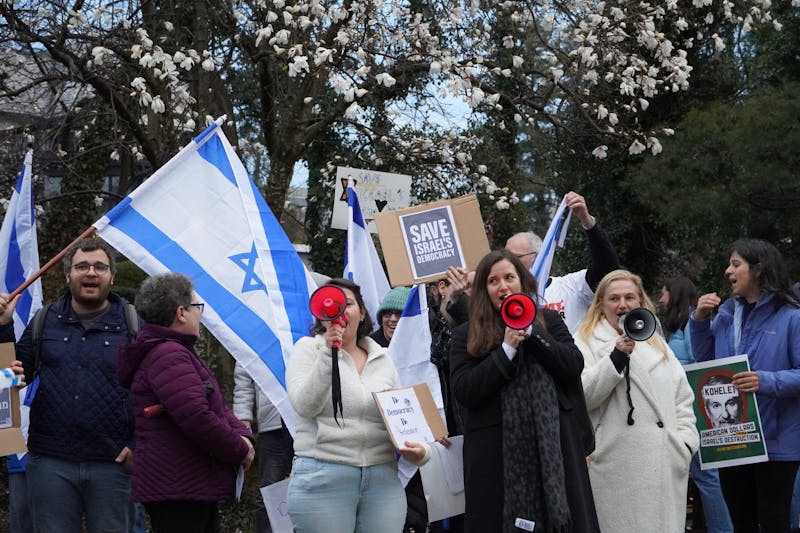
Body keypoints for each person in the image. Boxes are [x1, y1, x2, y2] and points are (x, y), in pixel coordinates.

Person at [450, 249, 599, 533]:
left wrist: (534, 334)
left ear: (523, 282)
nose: (503, 286)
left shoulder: (549, 322)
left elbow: (572, 365)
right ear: (484, 289)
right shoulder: (466, 334)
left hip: (556, 449)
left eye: (509, 277)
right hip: (496, 457)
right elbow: (465, 390)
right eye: (493, 281)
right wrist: (506, 350)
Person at [0, 238, 136, 532]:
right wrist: (3, 326)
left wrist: (138, 444)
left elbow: (151, 389)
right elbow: (10, 375)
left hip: (112, 465)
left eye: (100, 267)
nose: (90, 272)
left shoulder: (132, 324)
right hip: (51, 464)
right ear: (67, 275)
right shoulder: (44, 321)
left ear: (112, 275)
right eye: (81, 266)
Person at [285, 278, 430, 533]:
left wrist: (422, 452)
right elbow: (304, 405)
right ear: (321, 314)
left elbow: (402, 417)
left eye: (347, 303)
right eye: (332, 304)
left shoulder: (384, 359)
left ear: (362, 313)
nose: (339, 310)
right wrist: (329, 353)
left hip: (382, 481)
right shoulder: (307, 350)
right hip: (323, 477)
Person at [117, 273, 255, 532]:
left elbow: (215, 407)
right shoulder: (168, 355)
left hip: (187, 484)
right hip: (179, 488)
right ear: (181, 313)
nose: (200, 315)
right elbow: (197, 417)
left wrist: (244, 436)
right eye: (197, 307)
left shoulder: (174, 351)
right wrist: (240, 448)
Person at [690, 238, 800, 533]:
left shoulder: (792, 318)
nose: (728, 271)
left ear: (759, 270)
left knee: (775, 522)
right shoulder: (727, 314)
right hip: (732, 437)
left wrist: (765, 381)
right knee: (740, 522)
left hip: (777, 441)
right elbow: (705, 362)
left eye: (736, 264)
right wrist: (699, 321)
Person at [576, 269, 698, 533]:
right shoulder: (585, 341)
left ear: (641, 302)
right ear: (600, 305)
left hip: (664, 465)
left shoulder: (658, 344)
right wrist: (615, 358)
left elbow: (683, 398)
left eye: (630, 297)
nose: (623, 305)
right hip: (615, 469)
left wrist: (685, 444)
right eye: (614, 298)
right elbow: (582, 397)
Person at [659, 277, 733, 533]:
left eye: (664, 293)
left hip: (694, 410)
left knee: (706, 477)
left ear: (675, 294)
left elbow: (700, 361)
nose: (660, 299)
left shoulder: (691, 325)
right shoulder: (670, 327)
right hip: (676, 408)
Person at [505, 191, 620, 333]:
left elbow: (608, 269)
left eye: (515, 257)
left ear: (538, 256)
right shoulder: (506, 299)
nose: (508, 264)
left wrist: (588, 223)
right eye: (506, 258)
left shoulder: (571, 286)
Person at [233, 361, 293, 533]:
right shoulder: (255, 334)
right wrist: (243, 422)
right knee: (271, 491)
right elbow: (243, 381)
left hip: (308, 422)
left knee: (311, 488)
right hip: (272, 426)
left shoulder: (310, 333)